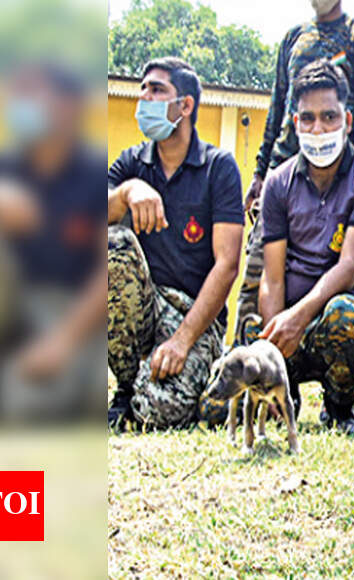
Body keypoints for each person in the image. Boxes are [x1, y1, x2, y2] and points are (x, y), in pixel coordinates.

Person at [0, 63, 105, 421]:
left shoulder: (93, 175)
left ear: (68, 107)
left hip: (73, 317)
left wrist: (62, 343)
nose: (19, 103)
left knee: (32, 406)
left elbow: (107, 272)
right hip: (7, 309)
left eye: (33, 92)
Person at [106, 57, 244, 429]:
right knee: (112, 243)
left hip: (194, 318)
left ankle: (193, 389)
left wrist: (182, 341)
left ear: (185, 105)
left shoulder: (219, 167)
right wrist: (128, 191)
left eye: (156, 89)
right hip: (145, 309)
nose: (144, 98)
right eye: (143, 90)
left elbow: (227, 264)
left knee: (159, 412)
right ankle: (125, 387)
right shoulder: (132, 162)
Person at [234, 0, 354, 348]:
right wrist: (259, 174)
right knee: (258, 282)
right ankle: (258, 374)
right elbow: (277, 107)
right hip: (283, 174)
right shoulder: (293, 38)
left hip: (335, 180)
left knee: (332, 282)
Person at [256, 60, 354, 435]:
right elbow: (273, 275)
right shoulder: (278, 184)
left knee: (345, 313)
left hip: (335, 325)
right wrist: (274, 333)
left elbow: (349, 267)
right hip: (286, 325)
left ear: (348, 120)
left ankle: (339, 407)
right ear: (295, 123)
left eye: (329, 117)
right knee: (221, 399)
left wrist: (299, 317)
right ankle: (284, 394)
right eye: (308, 118)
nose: (318, 128)